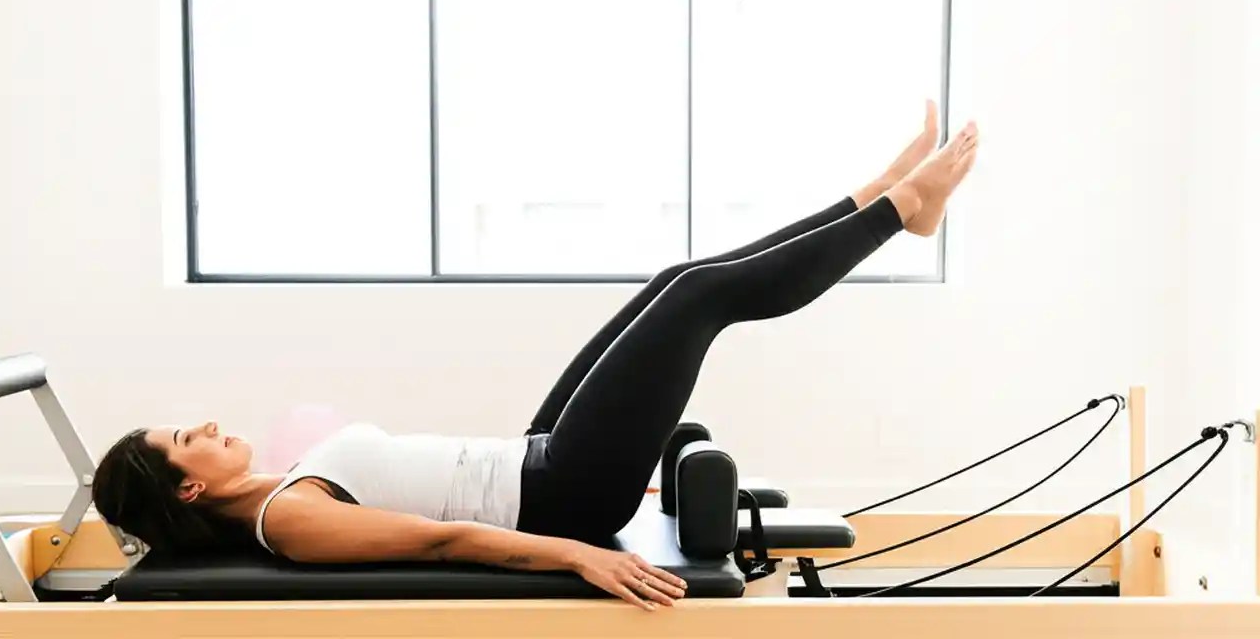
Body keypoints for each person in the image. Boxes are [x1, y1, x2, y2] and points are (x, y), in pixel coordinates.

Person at [92, 102, 979, 610]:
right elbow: (441, 542)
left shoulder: (280, 482)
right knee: (700, 302)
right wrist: (577, 555)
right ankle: (900, 212)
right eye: (186, 437)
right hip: (559, 495)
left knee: (678, 277)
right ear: (188, 488)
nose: (206, 425)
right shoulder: (286, 521)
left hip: (533, 458)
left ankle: (871, 199)